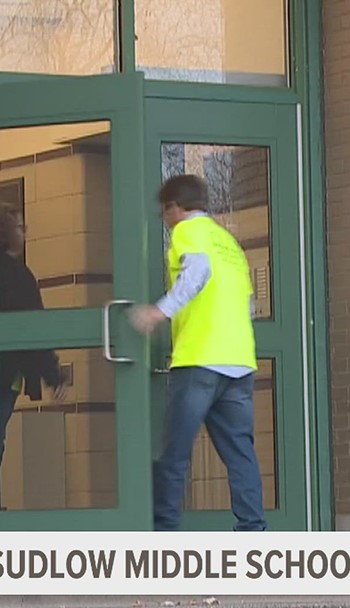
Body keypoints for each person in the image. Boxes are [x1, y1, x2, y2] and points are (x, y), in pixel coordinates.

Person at [129, 174, 267, 532]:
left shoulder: (188, 232)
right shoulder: (228, 242)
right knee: (240, 454)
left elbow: (196, 274)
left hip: (199, 359)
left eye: (165, 211)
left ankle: (164, 535)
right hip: (237, 361)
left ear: (177, 207)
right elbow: (248, 304)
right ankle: (253, 532)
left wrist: (159, 311)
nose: (165, 219)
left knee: (174, 454)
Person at [0, 207, 68, 506]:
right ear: (6, 234)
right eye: (21, 228)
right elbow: (33, 328)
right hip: (5, 374)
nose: (26, 234)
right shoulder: (17, 275)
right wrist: (53, 375)